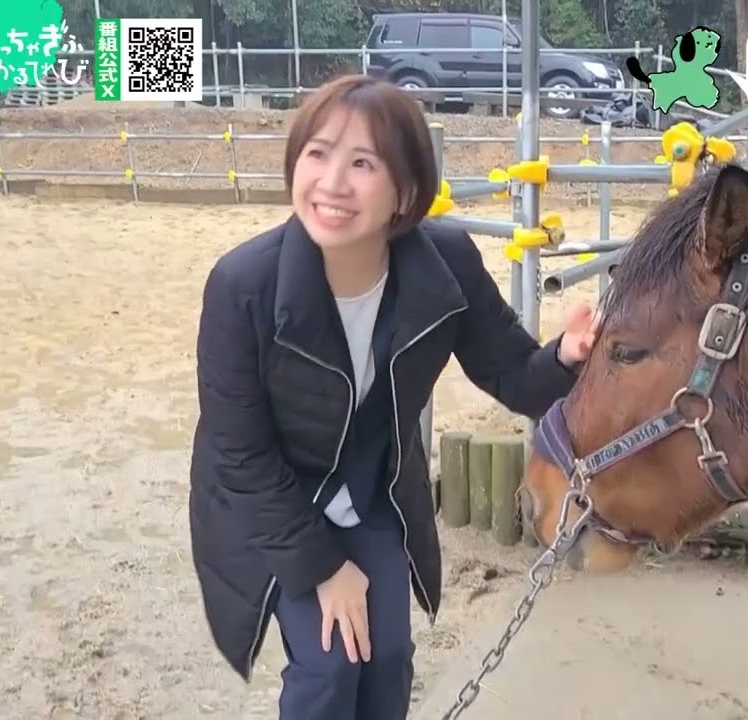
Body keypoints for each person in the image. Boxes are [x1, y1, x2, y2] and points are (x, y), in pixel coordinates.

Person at [187, 73, 597, 719]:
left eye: (362, 163)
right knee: (328, 668)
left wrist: (568, 357)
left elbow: (515, 374)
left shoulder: (445, 263)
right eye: (317, 154)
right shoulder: (244, 285)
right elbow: (240, 457)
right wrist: (326, 569)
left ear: (405, 189)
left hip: (374, 488)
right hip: (274, 497)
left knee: (387, 661)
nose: (331, 182)